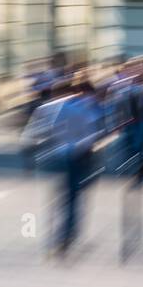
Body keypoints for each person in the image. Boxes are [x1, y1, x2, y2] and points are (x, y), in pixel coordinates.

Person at [39, 72, 104, 260]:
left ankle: (60, 239)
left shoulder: (59, 108)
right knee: (73, 200)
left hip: (63, 157)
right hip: (79, 158)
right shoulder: (87, 109)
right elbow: (93, 136)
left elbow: (49, 131)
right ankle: (66, 238)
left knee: (64, 199)